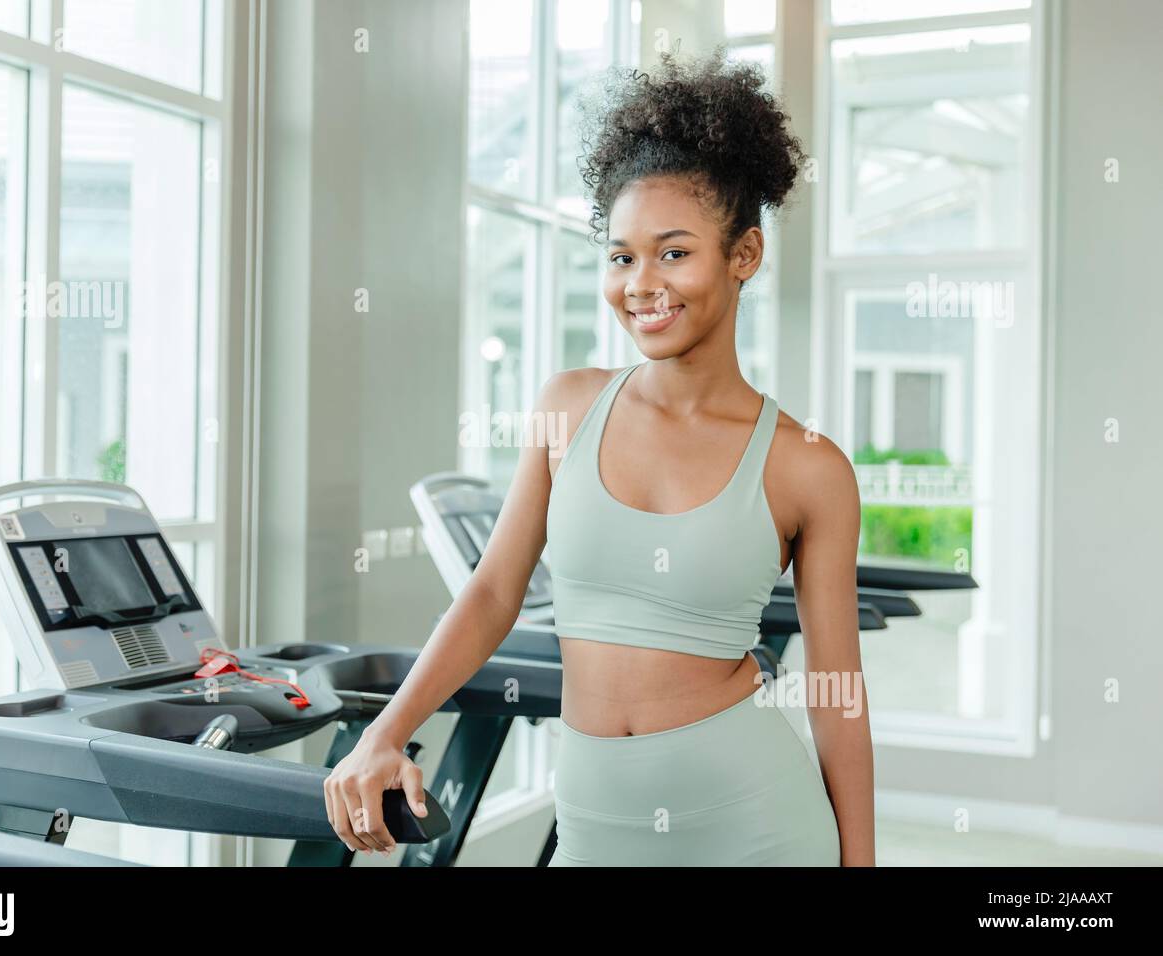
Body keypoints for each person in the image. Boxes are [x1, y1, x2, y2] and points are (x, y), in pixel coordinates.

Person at [323, 45, 875, 866]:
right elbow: (492, 592)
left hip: (755, 822)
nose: (641, 283)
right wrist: (386, 731)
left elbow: (838, 697)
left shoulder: (807, 466)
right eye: (622, 256)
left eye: (675, 252)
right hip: (593, 825)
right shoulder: (567, 406)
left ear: (745, 256)